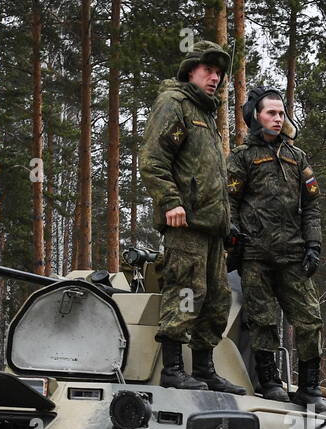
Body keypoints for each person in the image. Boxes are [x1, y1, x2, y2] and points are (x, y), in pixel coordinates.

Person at [138, 40, 244, 394]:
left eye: (219, 73)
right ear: (190, 72)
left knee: (216, 300)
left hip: (211, 228)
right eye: (208, 71)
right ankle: (172, 370)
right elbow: (153, 160)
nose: (215, 78)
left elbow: (210, 176)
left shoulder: (206, 114)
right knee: (185, 290)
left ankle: (204, 369)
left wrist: (227, 223)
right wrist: (170, 201)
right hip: (185, 225)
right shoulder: (175, 104)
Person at [227, 86, 326, 411]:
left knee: (310, 319)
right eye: (271, 112)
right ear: (256, 116)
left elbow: (311, 206)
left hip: (293, 255)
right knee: (263, 321)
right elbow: (228, 200)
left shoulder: (297, 158)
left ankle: (310, 389)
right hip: (255, 256)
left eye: (281, 113)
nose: (277, 118)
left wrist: (313, 244)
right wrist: (232, 234)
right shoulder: (243, 158)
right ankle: (270, 383)